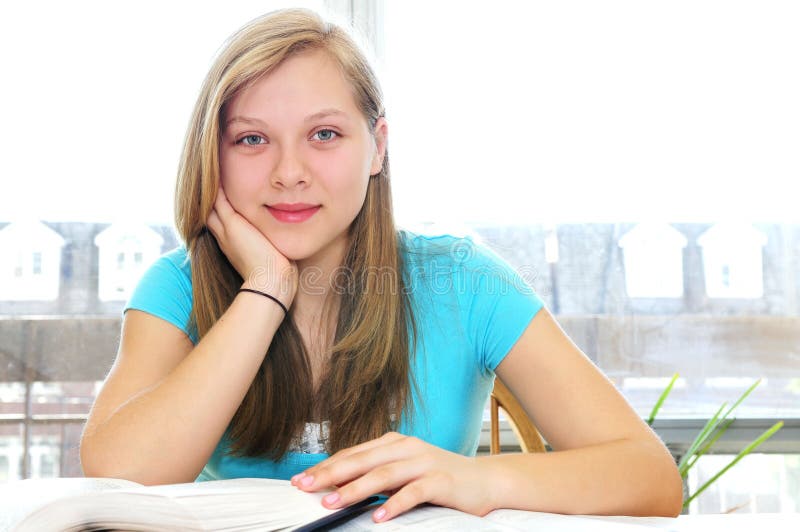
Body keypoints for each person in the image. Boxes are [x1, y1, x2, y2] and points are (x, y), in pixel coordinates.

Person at [79, 7, 683, 522]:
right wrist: (265, 290)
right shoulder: (176, 287)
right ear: (214, 155)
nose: (290, 172)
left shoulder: (465, 280)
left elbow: (651, 479)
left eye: (324, 135)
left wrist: (474, 480)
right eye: (252, 139)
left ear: (378, 147)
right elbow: (120, 480)